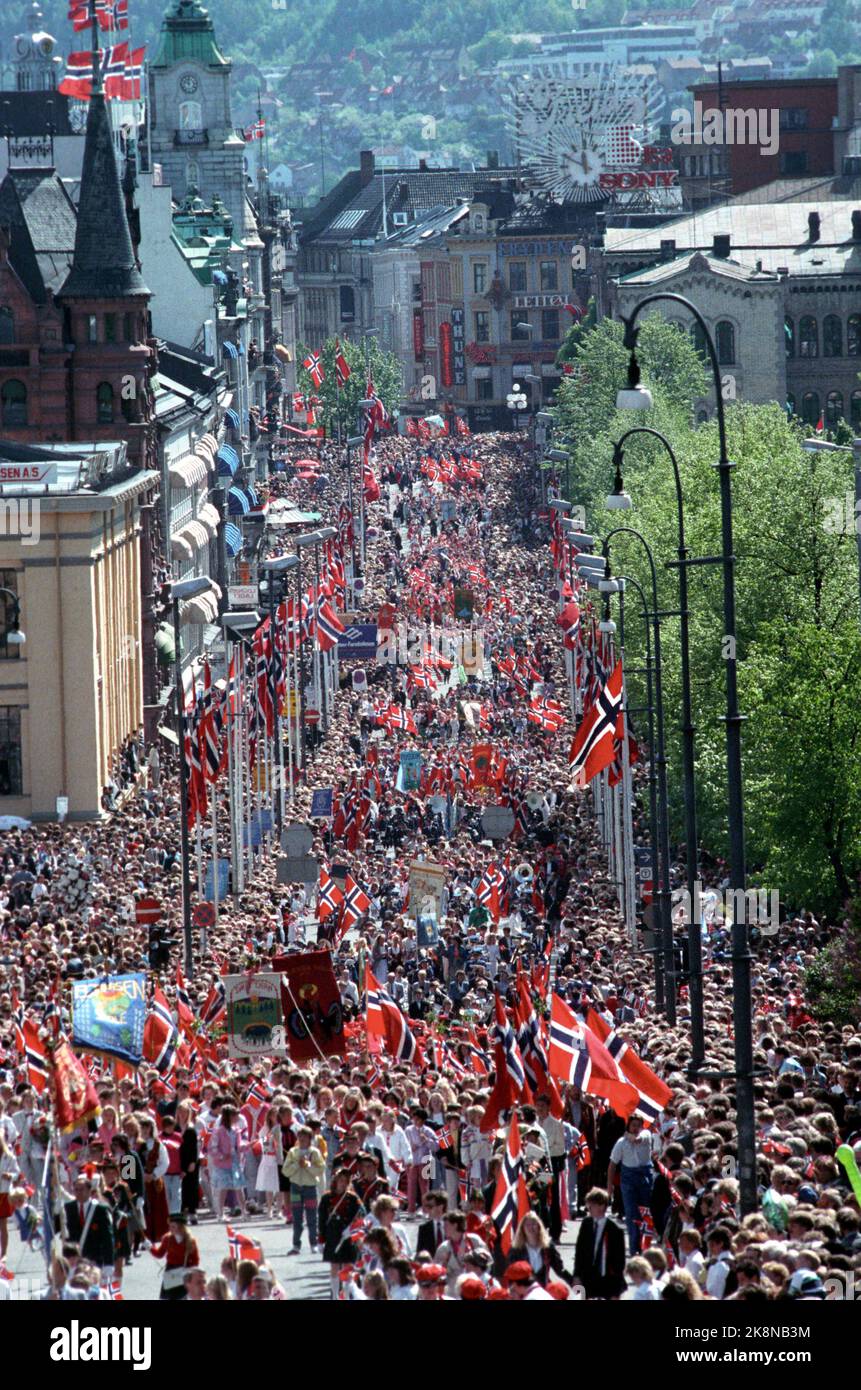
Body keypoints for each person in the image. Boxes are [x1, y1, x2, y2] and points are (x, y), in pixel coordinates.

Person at [606, 1115, 656, 1253]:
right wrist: (609, 1186)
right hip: (628, 1178)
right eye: (632, 1125)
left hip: (644, 1177)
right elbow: (612, 1164)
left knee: (645, 1213)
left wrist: (630, 1135)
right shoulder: (621, 1142)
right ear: (628, 1126)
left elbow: (637, 1139)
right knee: (631, 1213)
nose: (635, 1128)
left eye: (638, 1125)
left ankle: (645, 1246)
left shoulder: (646, 1135)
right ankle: (634, 1248)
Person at [318, 1168, 364, 1300]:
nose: (343, 1183)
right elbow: (321, 1219)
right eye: (341, 1180)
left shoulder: (353, 1198)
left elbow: (361, 1215)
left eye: (346, 1181)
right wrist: (321, 1239)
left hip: (348, 1237)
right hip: (333, 1236)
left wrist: (352, 1229)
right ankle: (335, 1295)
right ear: (335, 1181)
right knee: (334, 1266)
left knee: (347, 1268)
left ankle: (347, 1295)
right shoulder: (326, 1198)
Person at [574, 1187, 627, 1299]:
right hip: (588, 1278)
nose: (588, 1209)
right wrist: (577, 1275)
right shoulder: (586, 1224)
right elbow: (580, 1251)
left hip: (607, 1279)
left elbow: (619, 1262)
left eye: (591, 1206)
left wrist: (616, 1291)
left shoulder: (615, 1230)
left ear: (601, 1206)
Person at [281, 1124, 325, 1254]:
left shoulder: (315, 1152)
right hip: (296, 1188)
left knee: (312, 1217)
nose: (302, 1140)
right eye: (300, 1137)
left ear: (310, 1139)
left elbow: (320, 1169)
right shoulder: (292, 1152)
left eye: (305, 1138)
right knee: (297, 1217)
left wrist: (308, 1165)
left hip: (309, 1188)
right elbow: (285, 1171)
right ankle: (296, 1245)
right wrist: (296, 1165)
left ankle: (313, 1243)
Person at [63, 1174, 114, 1277]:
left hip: (95, 1258)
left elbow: (107, 1237)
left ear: (90, 1191)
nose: (78, 1193)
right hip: (73, 1259)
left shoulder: (100, 1209)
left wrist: (108, 1262)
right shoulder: (68, 1208)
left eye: (81, 1189)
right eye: (76, 1190)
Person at [507, 1212, 571, 1288]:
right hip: (524, 1291)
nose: (531, 1227)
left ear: (539, 1226)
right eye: (527, 1225)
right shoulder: (516, 1249)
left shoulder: (548, 1247)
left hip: (543, 1289)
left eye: (534, 1224)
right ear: (522, 1229)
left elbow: (560, 1269)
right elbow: (511, 1273)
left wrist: (575, 1283)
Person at [148, 1212, 200, 1300]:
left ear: (181, 1227)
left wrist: (189, 1270)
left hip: (184, 1271)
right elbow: (159, 1254)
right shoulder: (167, 1239)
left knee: (183, 1297)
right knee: (169, 1297)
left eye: (173, 1226)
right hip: (170, 1272)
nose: (170, 1229)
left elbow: (195, 1260)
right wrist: (149, 1247)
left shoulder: (190, 1240)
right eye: (170, 1226)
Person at [209, 1105, 247, 1221]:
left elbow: (239, 1146)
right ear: (229, 1116)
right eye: (235, 1115)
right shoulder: (218, 1131)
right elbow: (212, 1148)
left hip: (235, 1163)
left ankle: (244, 1211)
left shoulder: (236, 1131)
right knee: (223, 1188)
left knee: (239, 1187)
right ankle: (220, 1213)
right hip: (222, 1165)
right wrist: (222, 1156)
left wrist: (247, 1146)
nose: (237, 1117)